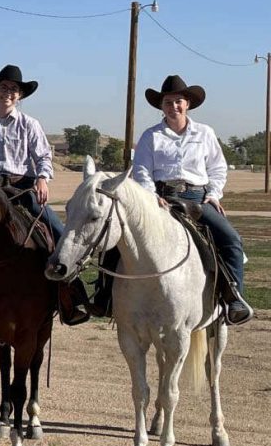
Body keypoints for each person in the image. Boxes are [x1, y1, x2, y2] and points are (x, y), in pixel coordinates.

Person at [101, 74, 251, 325]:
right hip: (162, 198)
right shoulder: (151, 136)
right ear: (162, 106)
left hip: (198, 199)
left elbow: (218, 168)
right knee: (119, 240)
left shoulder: (205, 133)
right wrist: (151, 197)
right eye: (168, 102)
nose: (174, 107)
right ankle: (105, 297)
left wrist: (213, 195)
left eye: (178, 101)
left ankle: (234, 298)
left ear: (188, 104)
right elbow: (142, 171)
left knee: (232, 240)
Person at [0, 64, 90, 325]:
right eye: (3, 87)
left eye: (14, 89)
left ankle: (72, 293)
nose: (8, 92)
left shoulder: (30, 124)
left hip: (24, 189)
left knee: (57, 231)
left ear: (19, 96)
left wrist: (43, 178)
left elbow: (44, 156)